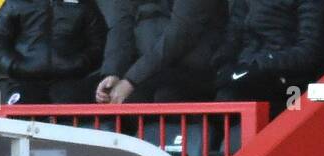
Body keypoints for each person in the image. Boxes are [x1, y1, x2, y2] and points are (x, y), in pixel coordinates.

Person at [95, 0, 227, 103]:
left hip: (196, 68)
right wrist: (113, 73)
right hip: (146, 70)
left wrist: (131, 80)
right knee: (98, 97)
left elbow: (180, 34)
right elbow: (121, 26)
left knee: (144, 99)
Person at [214, 0, 324, 116]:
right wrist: (224, 64)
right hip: (241, 84)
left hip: (288, 87)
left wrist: (260, 65)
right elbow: (232, 37)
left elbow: (310, 51)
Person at [0, 0, 107, 103]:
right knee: (19, 125)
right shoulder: (16, 3)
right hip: (23, 83)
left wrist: (80, 63)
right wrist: (15, 66)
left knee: (70, 129)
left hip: (72, 84)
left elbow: (98, 42)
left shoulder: (84, 3)